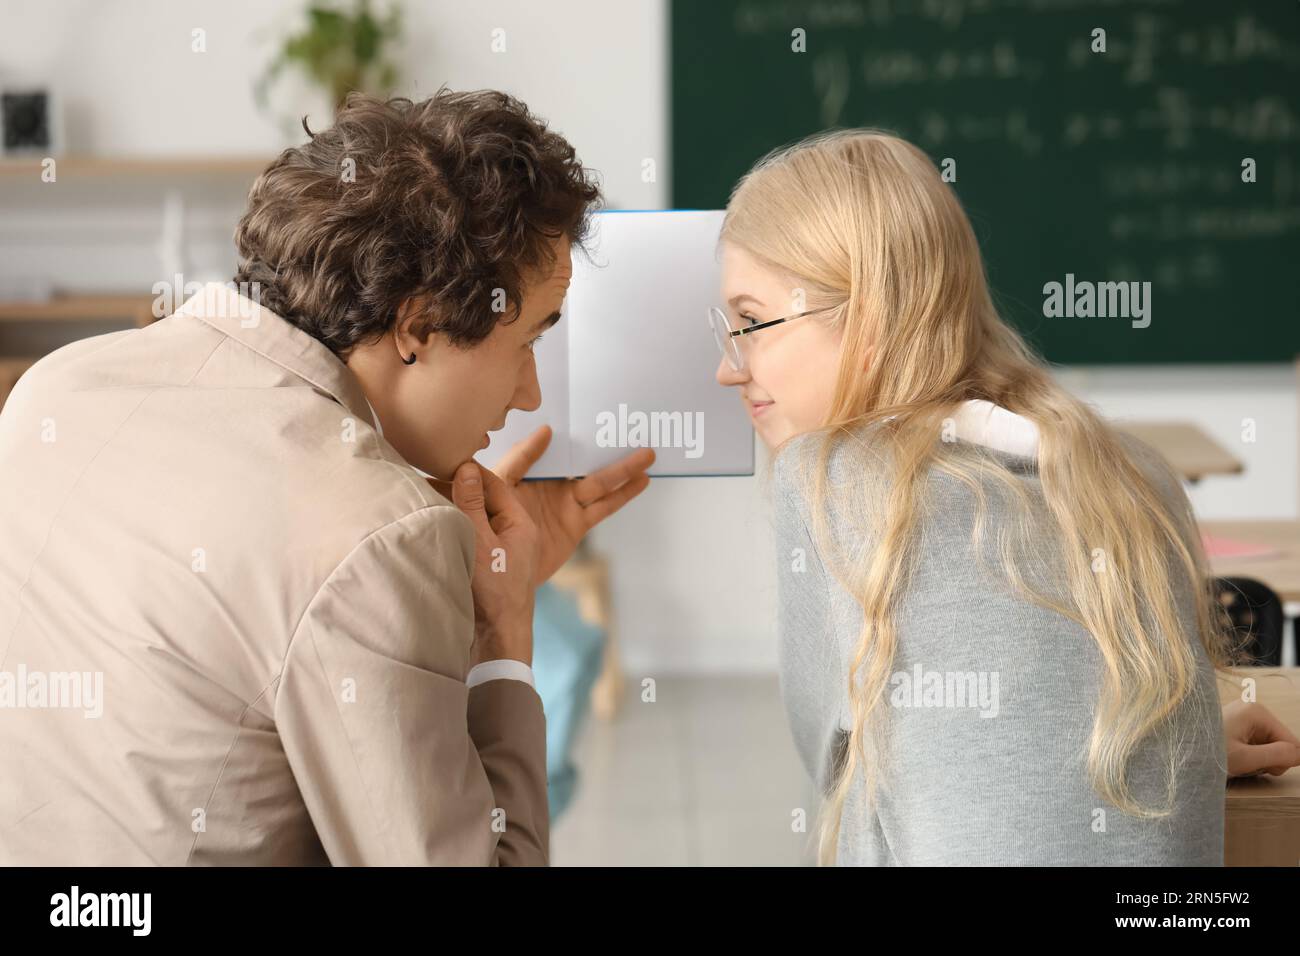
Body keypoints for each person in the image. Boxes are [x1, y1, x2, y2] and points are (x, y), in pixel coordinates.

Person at [0, 89, 652, 865]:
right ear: (417, 326)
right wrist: (502, 635)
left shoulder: (56, 387)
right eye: (528, 341)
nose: (530, 393)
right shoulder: (376, 534)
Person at [709, 128, 1300, 865]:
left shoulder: (826, 480)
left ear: (864, 314)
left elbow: (827, 761)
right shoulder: (1141, 477)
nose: (730, 369)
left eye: (750, 323)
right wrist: (1198, 740)